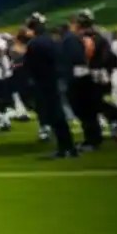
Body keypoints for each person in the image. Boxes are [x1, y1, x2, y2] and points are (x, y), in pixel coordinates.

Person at [21, 13, 77, 159]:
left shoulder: (35, 43)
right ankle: (68, 147)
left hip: (45, 82)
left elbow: (29, 65)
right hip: (56, 79)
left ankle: (65, 148)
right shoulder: (53, 40)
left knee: (55, 115)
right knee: (59, 115)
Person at [68, 9, 111, 151]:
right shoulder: (101, 34)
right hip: (98, 74)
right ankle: (94, 137)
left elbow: (85, 57)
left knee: (87, 110)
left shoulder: (87, 37)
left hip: (88, 75)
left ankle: (93, 140)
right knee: (92, 108)